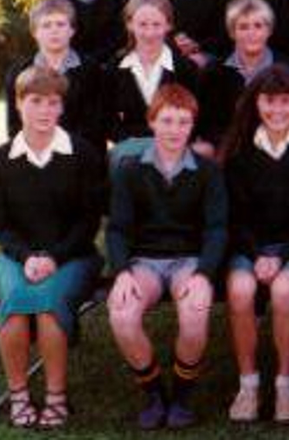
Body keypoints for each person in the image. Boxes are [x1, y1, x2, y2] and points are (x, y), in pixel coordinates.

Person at [0, 66, 106, 429]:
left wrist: (53, 257)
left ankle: (56, 396)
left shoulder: (82, 154)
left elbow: (88, 222)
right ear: (19, 103)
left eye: (53, 102)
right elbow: (1, 226)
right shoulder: (1, 159)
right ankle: (19, 395)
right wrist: (27, 258)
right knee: (16, 306)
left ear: (62, 107)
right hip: (17, 258)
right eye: (35, 101)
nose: (44, 110)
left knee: (49, 306)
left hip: (73, 255)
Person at [105, 84, 228, 430]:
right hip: (143, 261)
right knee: (122, 315)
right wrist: (122, 272)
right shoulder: (129, 170)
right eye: (167, 121)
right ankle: (155, 393)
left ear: (192, 126)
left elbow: (217, 228)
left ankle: (182, 396)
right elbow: (117, 229)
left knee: (193, 313)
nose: (175, 130)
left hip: (189, 261)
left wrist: (204, 274)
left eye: (184, 122)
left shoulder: (207, 171)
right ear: (152, 122)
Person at [218, 65, 289, 423]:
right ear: (254, 102)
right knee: (241, 289)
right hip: (248, 248)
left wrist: (281, 256)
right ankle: (248, 384)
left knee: (284, 291)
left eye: (286, 101)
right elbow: (233, 217)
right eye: (269, 101)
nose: (277, 110)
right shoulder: (237, 150)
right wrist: (256, 254)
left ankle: (285, 384)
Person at [102, 0, 199, 157]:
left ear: (169, 25)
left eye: (156, 25)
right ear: (129, 24)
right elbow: (107, 119)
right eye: (142, 24)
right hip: (130, 151)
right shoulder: (115, 68)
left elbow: (196, 118)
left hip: (176, 147)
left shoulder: (186, 69)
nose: (149, 33)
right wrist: (135, 144)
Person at [4, 0, 104, 149]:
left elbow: (95, 127)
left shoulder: (92, 70)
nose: (54, 31)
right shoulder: (18, 72)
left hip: (81, 154)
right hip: (34, 153)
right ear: (34, 32)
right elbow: (14, 127)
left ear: (72, 30)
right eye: (46, 25)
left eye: (60, 24)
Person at [196, 0, 285, 154]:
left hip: (274, 149)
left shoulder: (285, 70)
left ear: (269, 30)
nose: (251, 33)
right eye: (243, 27)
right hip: (226, 150)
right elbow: (206, 125)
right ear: (232, 32)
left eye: (258, 26)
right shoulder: (214, 73)